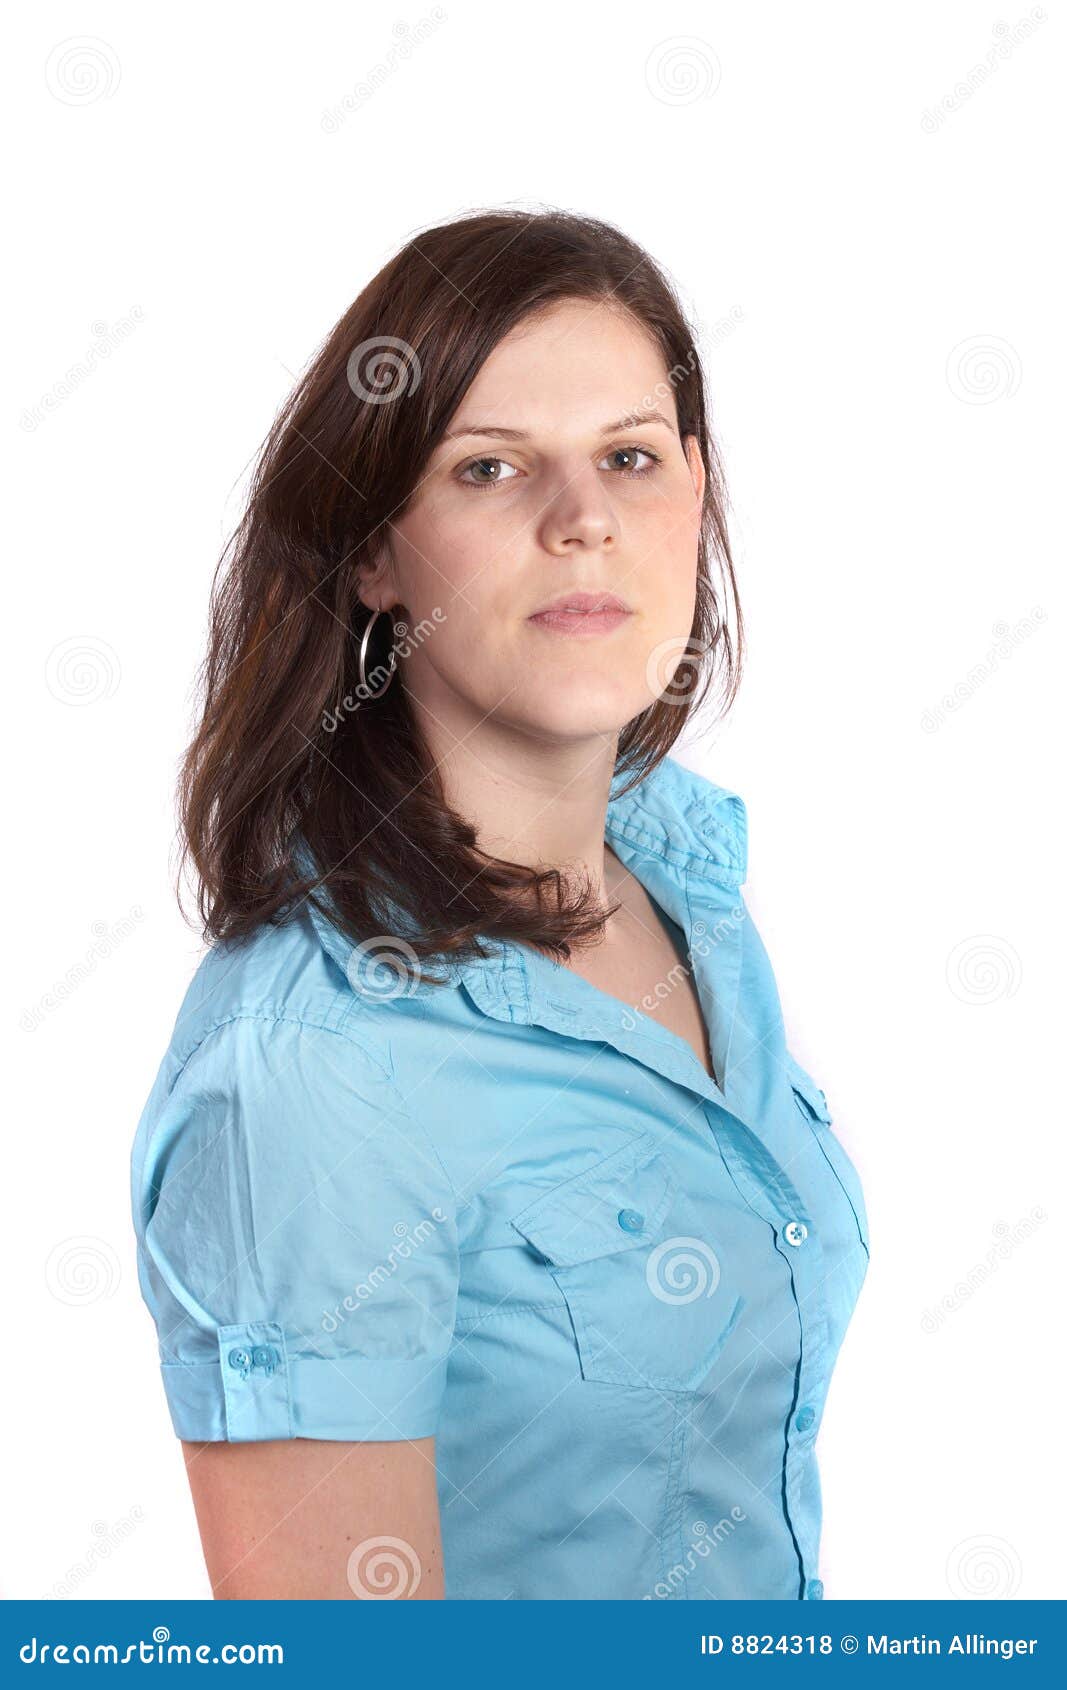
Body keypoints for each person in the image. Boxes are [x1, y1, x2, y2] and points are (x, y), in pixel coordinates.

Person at [131, 208, 869, 1601]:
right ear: (373, 556)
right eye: (490, 467)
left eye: (631, 458)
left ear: (696, 492)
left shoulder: (687, 878)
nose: (583, 517)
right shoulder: (314, 1067)